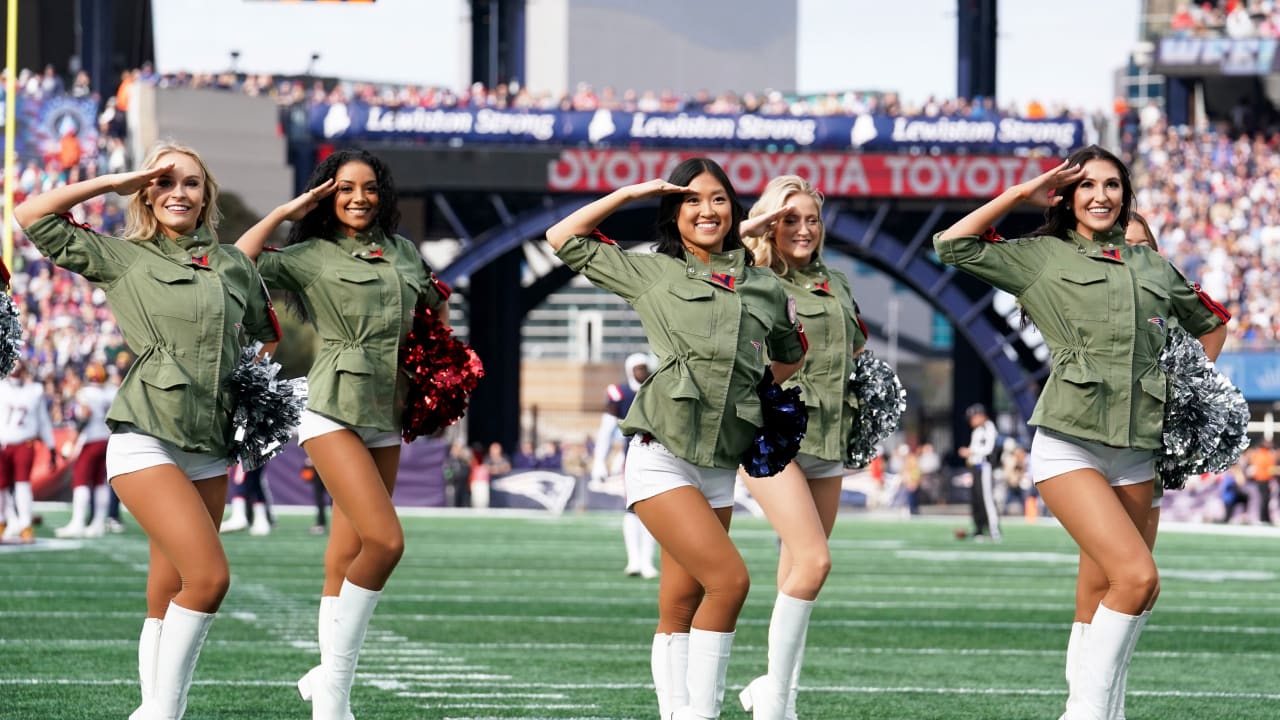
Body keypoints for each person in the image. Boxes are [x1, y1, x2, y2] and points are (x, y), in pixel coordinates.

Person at [934, 145, 1230, 720]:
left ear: (1126, 196)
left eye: (1113, 185)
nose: (1101, 195)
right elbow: (951, 245)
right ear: (1066, 197)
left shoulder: (1150, 264)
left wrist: (1187, 386)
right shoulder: (1042, 256)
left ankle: (1104, 711)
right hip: (1070, 442)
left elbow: (1212, 324)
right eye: (1088, 185)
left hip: (1137, 448)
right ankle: (1086, 713)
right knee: (1138, 577)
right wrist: (1021, 193)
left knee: (1105, 594)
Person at [15, 140, 281, 719]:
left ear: (206, 193)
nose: (177, 192)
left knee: (167, 591)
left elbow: (264, 334)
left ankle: (159, 711)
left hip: (211, 446)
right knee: (209, 580)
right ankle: (160, 714)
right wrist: (118, 180)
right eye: (163, 182)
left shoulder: (234, 264)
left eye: (189, 182)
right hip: (145, 435)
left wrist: (249, 389)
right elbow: (31, 214)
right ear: (146, 194)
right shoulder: (125, 258)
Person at [545, 157, 807, 720]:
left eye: (716, 199)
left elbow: (790, 353)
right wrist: (632, 191)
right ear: (674, 213)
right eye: (690, 200)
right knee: (731, 582)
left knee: (680, 603)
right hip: (659, 455)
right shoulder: (653, 273)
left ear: (734, 209)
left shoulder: (764, 284)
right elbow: (563, 237)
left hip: (719, 460)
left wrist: (748, 392)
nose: (706, 210)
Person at [234, 147, 450, 720]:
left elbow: (435, 308)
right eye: (345, 187)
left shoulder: (403, 250)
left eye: (370, 187)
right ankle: (331, 682)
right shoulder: (308, 255)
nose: (359, 197)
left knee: (346, 550)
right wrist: (287, 210)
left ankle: (332, 702)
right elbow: (238, 262)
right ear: (327, 193)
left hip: (387, 408)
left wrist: (438, 368)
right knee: (385, 543)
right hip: (330, 405)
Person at [735, 175, 867, 720]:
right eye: (790, 219)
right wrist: (754, 231)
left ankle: (778, 697)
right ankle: (774, 700)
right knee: (814, 562)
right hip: (771, 433)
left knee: (795, 572)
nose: (804, 229)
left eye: (812, 219)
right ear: (771, 223)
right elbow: (700, 256)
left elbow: (855, 347)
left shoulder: (835, 281)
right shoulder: (753, 275)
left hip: (829, 435)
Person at [591, 352, 658, 579]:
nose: (642, 373)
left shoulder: (657, 390)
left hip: (659, 454)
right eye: (638, 368)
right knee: (632, 508)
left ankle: (647, 561)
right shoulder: (620, 394)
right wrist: (599, 461)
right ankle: (634, 560)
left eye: (644, 368)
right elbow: (606, 430)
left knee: (653, 510)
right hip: (633, 455)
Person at [56, 361, 117, 538]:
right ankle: (98, 523)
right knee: (100, 482)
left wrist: (71, 442)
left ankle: (78, 522)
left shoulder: (85, 394)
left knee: (81, 481)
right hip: (107, 439)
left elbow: (84, 416)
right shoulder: (113, 392)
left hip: (91, 439)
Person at [0, 361, 55, 542]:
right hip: (5, 443)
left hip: (24, 443)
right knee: (4, 487)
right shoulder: (30, 390)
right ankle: (7, 523)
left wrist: (51, 446)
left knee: (22, 485)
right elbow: (44, 421)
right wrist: (51, 447)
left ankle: (24, 525)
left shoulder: (34, 391)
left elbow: (43, 420)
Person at [958, 403, 1001, 542]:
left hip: (985, 466)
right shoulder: (976, 431)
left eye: (973, 417)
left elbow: (988, 449)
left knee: (986, 498)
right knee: (976, 499)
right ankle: (979, 528)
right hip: (975, 467)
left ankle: (994, 529)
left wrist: (970, 452)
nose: (971, 421)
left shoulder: (989, 428)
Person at [221, 462, 273, 536]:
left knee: (241, 479)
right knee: (255, 481)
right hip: (260, 452)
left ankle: (238, 516)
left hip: (248, 452)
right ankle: (261, 521)